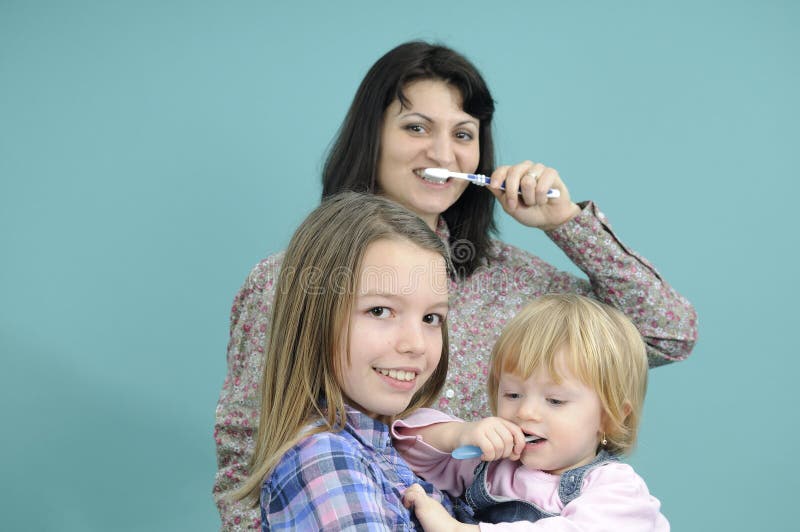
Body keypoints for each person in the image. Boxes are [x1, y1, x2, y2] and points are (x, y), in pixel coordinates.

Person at [214, 41, 697, 529]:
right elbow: (246, 456)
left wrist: (567, 223)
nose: (443, 152)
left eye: (463, 134)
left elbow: (666, 333)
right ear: (371, 137)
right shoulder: (294, 276)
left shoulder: (507, 277)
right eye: (416, 127)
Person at [235, 191, 459, 529]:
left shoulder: (398, 452)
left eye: (431, 318)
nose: (415, 344)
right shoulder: (324, 460)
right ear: (314, 318)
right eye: (380, 311)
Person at [397, 294, 669, 530]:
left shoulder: (617, 488)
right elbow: (400, 448)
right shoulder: (490, 466)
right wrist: (460, 434)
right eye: (513, 395)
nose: (526, 411)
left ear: (609, 418)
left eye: (555, 400)